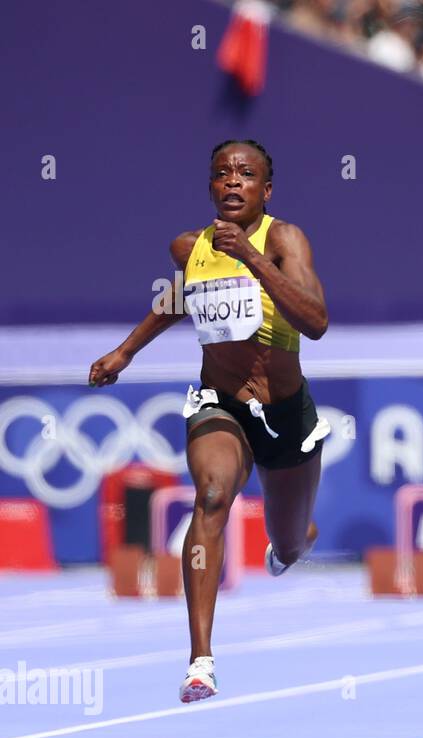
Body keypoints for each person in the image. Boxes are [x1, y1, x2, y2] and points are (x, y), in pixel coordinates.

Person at [89, 140, 331, 703]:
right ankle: (201, 659)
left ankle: (296, 539)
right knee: (213, 496)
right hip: (221, 403)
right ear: (210, 186)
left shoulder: (284, 239)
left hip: (286, 413)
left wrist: (250, 257)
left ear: (265, 190)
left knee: (290, 543)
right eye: (222, 173)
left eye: (246, 174)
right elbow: (180, 298)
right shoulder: (189, 247)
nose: (232, 181)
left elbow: (316, 321)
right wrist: (125, 352)